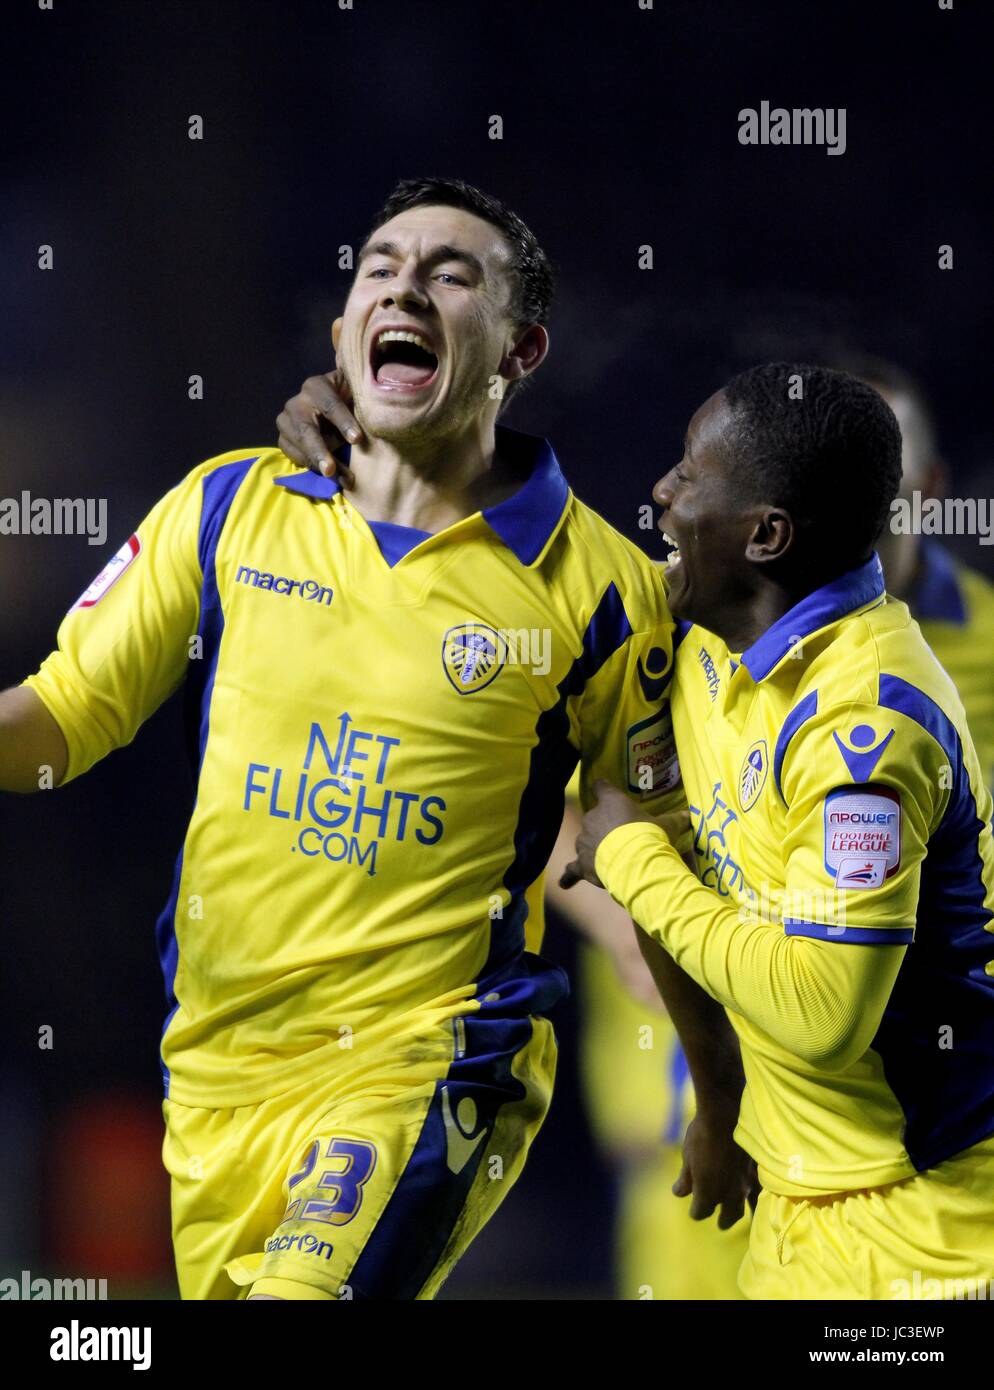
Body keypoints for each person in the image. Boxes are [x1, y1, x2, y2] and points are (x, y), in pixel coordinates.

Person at [1, 177, 695, 1300]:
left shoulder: (607, 588)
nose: (404, 286)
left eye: (449, 273)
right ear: (341, 333)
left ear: (520, 350)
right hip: (219, 1070)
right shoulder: (229, 507)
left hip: (426, 1056)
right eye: (379, 267)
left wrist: (655, 949)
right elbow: (65, 718)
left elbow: (634, 814)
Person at [564, 362, 994, 1300]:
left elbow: (820, 1015)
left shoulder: (866, 729)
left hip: (931, 1236)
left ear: (765, 534)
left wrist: (630, 856)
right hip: (794, 1217)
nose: (661, 494)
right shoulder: (704, 647)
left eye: (687, 474)